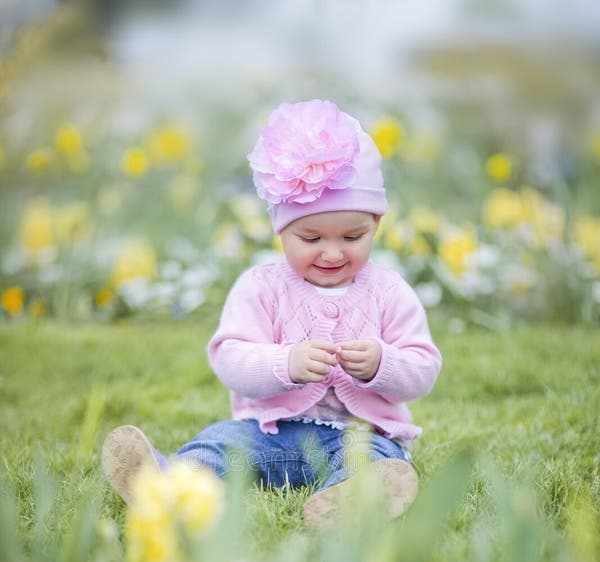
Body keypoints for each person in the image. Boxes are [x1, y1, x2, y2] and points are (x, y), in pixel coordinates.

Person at [102, 99, 442, 526]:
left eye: (353, 236)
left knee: (372, 458)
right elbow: (230, 357)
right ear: (282, 230)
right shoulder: (261, 288)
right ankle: (171, 483)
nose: (333, 252)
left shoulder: (389, 292)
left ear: (375, 225)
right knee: (221, 443)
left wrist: (381, 363)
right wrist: (286, 363)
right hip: (268, 430)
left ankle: (355, 495)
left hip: (360, 435)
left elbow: (424, 366)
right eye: (311, 237)